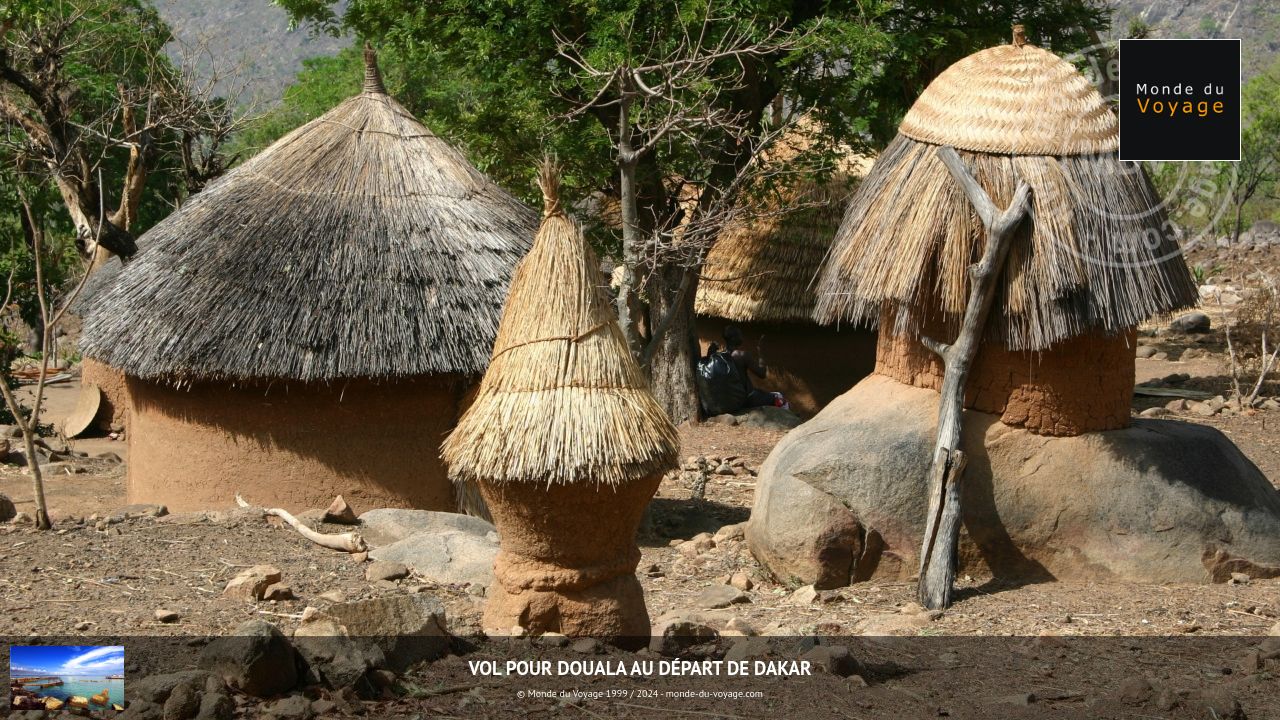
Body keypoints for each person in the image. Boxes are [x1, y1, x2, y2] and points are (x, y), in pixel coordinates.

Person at [721, 325, 786, 410]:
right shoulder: (742, 355)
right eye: (739, 335)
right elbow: (762, 374)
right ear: (733, 339)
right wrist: (761, 353)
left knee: (761, 392)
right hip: (747, 399)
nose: (742, 337)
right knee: (779, 397)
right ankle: (790, 422)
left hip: (732, 400)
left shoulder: (720, 356)